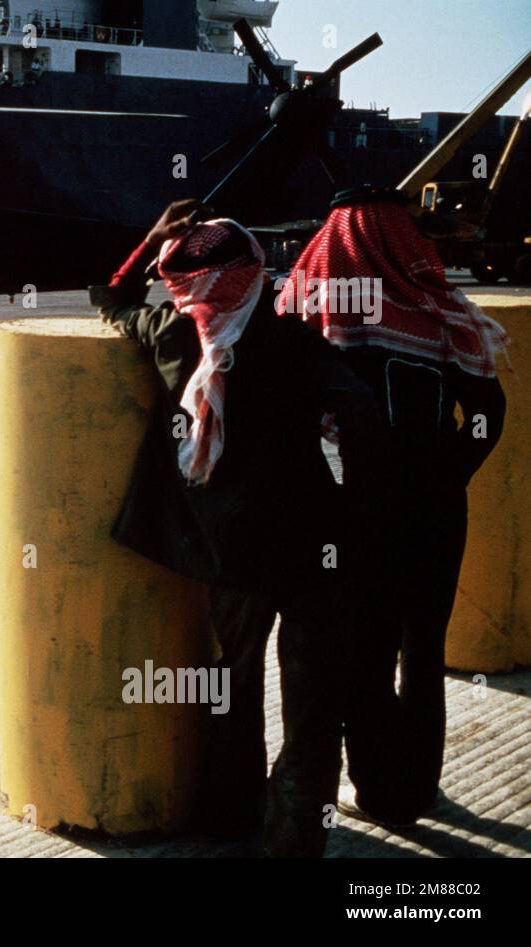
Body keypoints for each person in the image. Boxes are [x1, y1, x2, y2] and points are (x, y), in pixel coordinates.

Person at [92, 199, 380, 856]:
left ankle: (230, 812)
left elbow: (107, 296)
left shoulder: (169, 330)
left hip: (230, 549)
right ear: (254, 271)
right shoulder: (291, 337)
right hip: (313, 542)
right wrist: (360, 502)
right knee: (311, 697)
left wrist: (150, 238)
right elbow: (358, 409)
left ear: (181, 279)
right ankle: (298, 827)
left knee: (234, 678)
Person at [276, 186, 509, 827]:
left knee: (368, 650)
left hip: (362, 513)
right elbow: (490, 415)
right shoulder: (440, 314)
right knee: (423, 647)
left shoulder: (322, 324)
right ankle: (417, 788)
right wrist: (445, 474)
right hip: (436, 511)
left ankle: (378, 789)